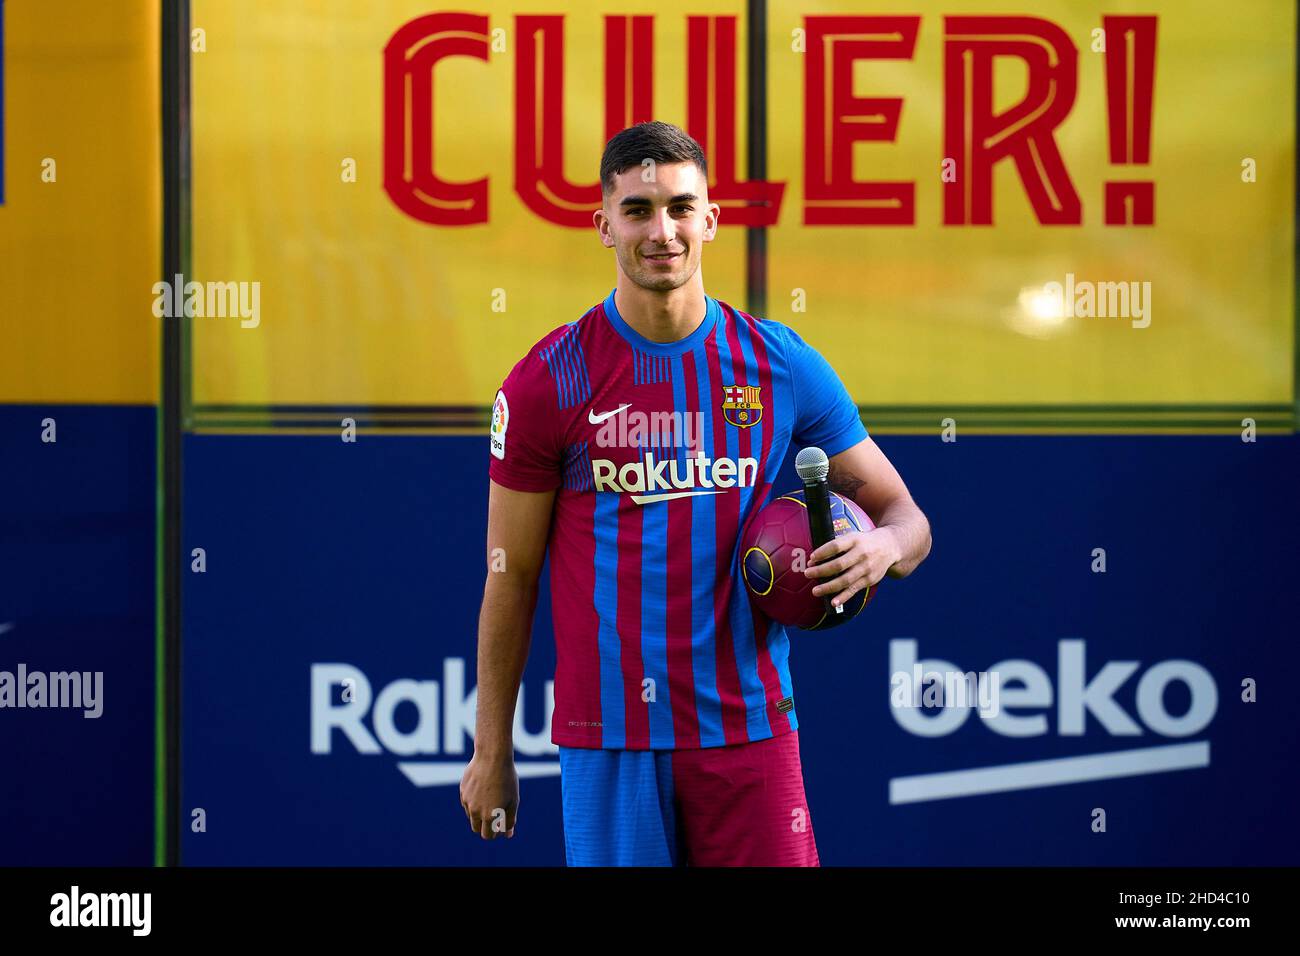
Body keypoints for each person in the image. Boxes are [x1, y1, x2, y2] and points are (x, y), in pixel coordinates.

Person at [460, 121, 931, 865]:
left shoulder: (780, 364)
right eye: (639, 209)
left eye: (681, 207)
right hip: (610, 740)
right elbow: (508, 575)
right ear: (604, 226)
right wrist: (492, 752)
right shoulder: (550, 381)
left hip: (750, 731)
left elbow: (908, 518)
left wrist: (882, 546)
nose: (663, 230)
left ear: (710, 219)